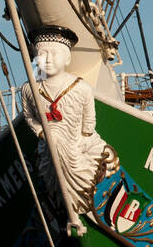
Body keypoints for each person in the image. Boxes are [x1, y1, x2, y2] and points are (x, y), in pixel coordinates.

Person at [20, 24, 118, 216]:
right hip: (49, 147)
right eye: (42, 54)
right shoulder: (29, 89)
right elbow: (28, 115)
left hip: (77, 147)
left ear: (67, 58)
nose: (47, 59)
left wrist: (84, 138)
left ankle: (77, 199)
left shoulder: (81, 88)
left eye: (54, 54)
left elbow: (89, 120)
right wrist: (40, 131)